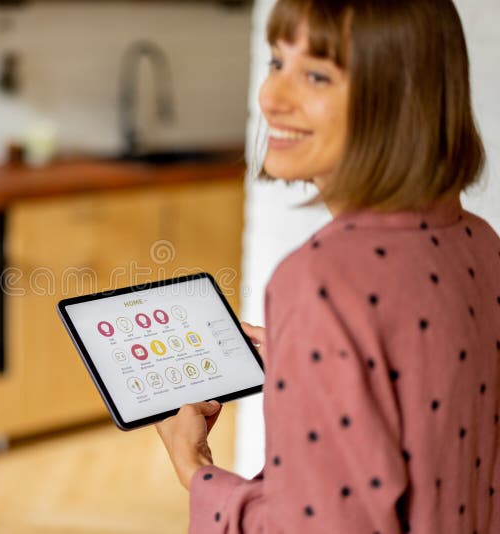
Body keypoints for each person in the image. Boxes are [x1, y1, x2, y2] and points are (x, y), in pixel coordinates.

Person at [155, 0, 499, 532]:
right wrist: (316, 366)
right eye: (276, 62)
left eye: (316, 75)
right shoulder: (480, 242)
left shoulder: (320, 281)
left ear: (398, 98)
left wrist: (196, 469)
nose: (271, 96)